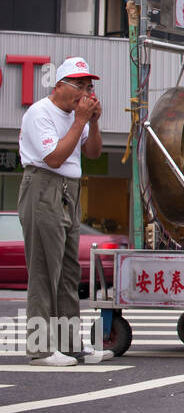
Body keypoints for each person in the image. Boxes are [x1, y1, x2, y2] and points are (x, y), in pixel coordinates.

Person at [18, 57, 112, 366]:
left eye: (89, 86)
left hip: (70, 189)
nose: (86, 93)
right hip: (43, 185)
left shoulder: (78, 117)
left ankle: (71, 345)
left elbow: (94, 153)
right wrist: (81, 121)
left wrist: (93, 121)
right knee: (45, 269)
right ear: (60, 86)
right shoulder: (40, 113)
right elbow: (55, 157)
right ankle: (41, 349)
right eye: (80, 86)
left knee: (69, 272)